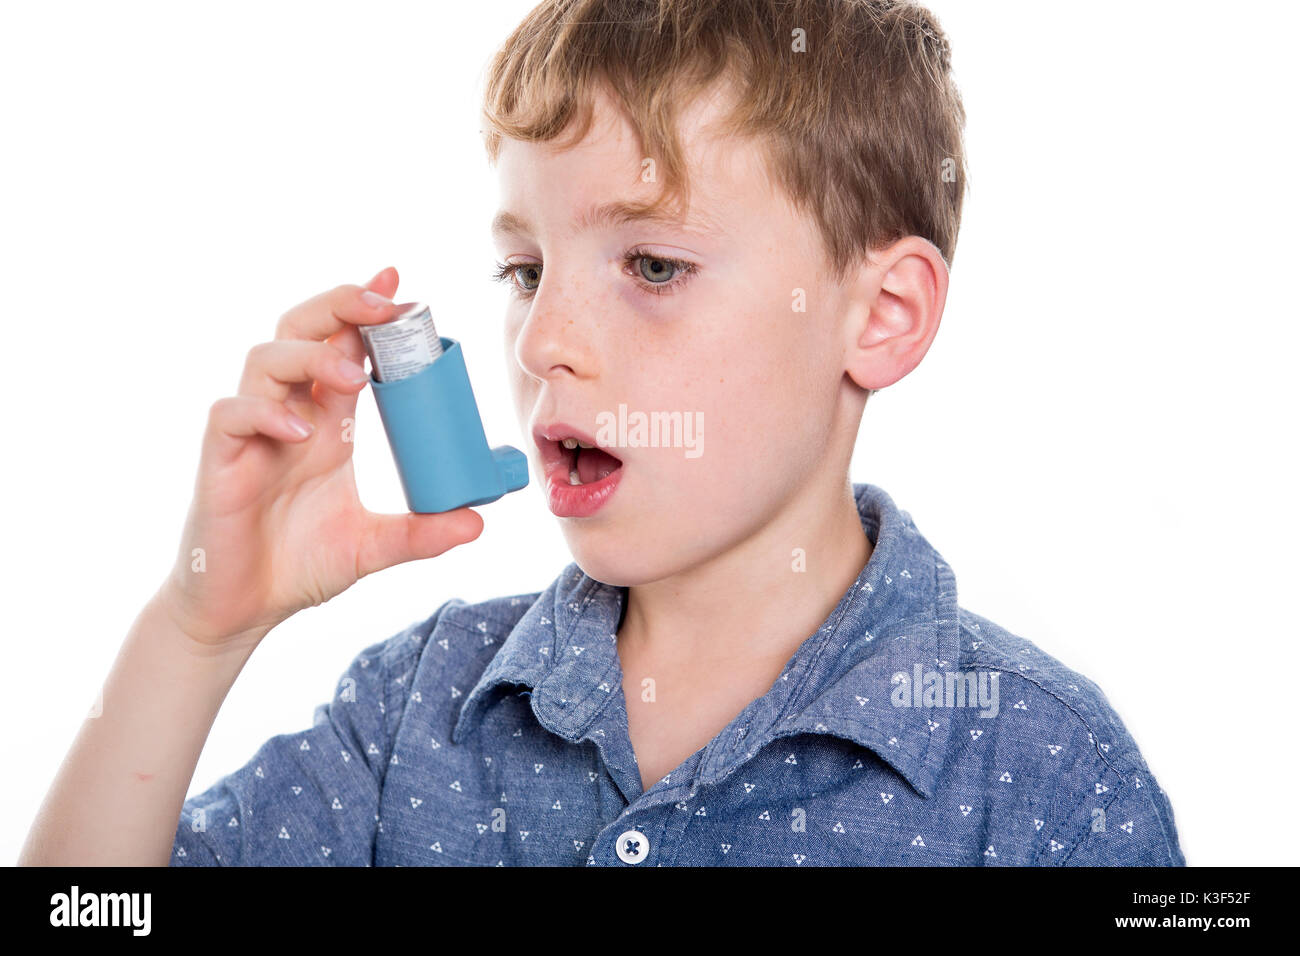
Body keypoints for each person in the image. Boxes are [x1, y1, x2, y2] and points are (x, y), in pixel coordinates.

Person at [20, 0, 1184, 866]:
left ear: (878, 317)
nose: (542, 343)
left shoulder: (1044, 780)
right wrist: (198, 626)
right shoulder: (421, 710)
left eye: (652, 264)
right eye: (524, 268)